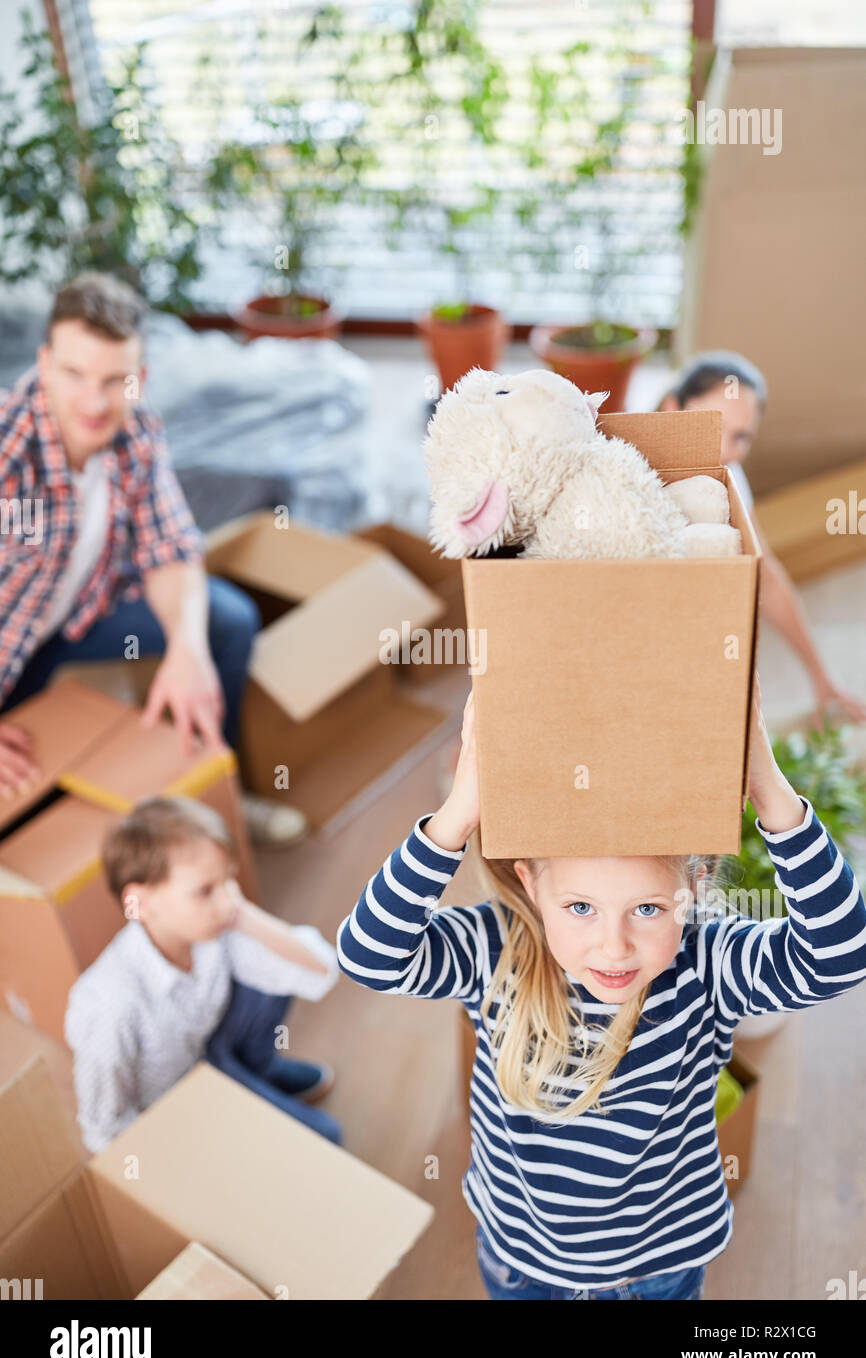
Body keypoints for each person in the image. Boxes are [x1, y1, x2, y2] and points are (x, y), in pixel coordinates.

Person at [337, 686, 866, 1300]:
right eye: (581, 907)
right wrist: (456, 817)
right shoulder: (494, 948)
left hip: (656, 1269)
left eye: (646, 908)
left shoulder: (706, 960)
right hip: (521, 1260)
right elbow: (367, 957)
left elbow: (840, 955)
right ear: (531, 885)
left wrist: (768, 788)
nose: (613, 948)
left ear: (693, 887)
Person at [0, 270, 307, 842]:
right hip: (9, 650)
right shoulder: (7, 447)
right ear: (43, 364)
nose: (94, 402)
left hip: (82, 608)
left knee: (226, 623)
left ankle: (222, 790)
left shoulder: (137, 430)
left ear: (139, 378)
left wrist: (187, 650)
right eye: (74, 375)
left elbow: (172, 548)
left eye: (114, 380)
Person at [64, 796, 342, 1153]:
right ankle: (244, 1084)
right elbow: (103, 1128)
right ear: (141, 902)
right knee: (327, 1138)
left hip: (208, 1050)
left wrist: (243, 915)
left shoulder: (214, 929)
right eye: (205, 891)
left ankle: (258, 1069)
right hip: (175, 1100)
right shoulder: (110, 1005)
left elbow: (321, 969)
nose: (227, 902)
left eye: (228, 880)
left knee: (275, 963)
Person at [658, 350, 866, 727]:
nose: (725, 449)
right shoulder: (630, 468)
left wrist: (822, 680)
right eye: (714, 425)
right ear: (673, 407)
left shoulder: (730, 473)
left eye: (741, 436)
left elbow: (765, 575)